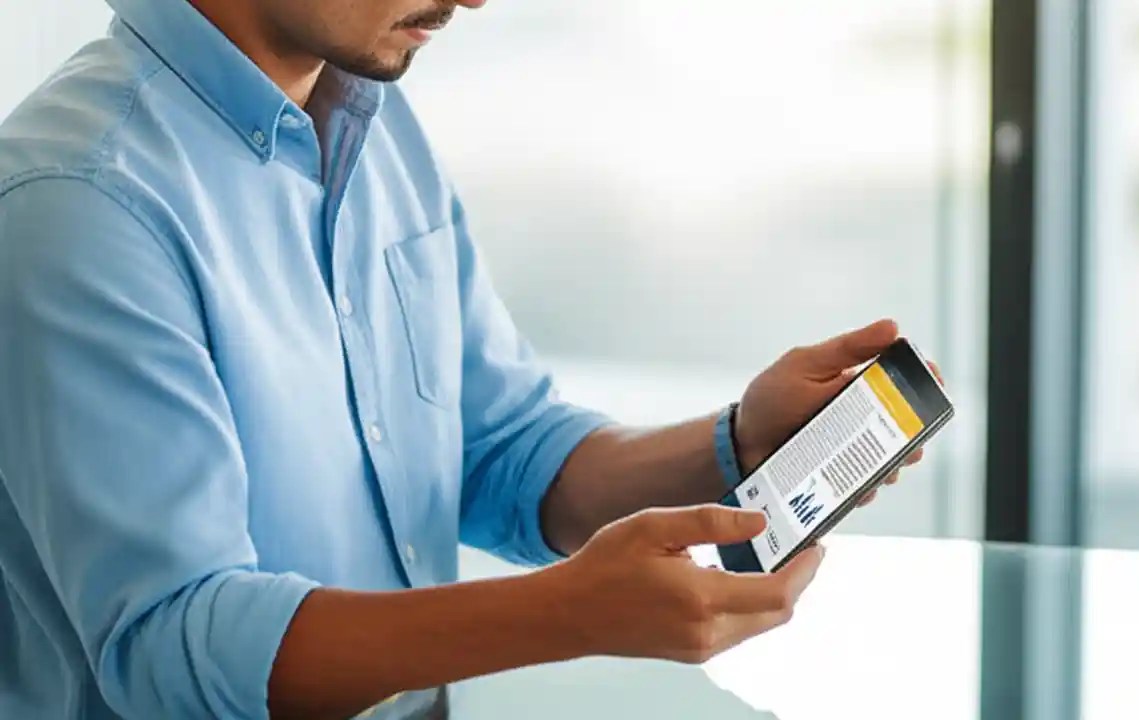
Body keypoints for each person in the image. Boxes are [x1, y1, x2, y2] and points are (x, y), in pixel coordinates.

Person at [0, 1, 931, 718]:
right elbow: (172, 651)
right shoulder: (79, 203)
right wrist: (563, 613)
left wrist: (733, 444)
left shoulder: (371, 124)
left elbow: (501, 449)